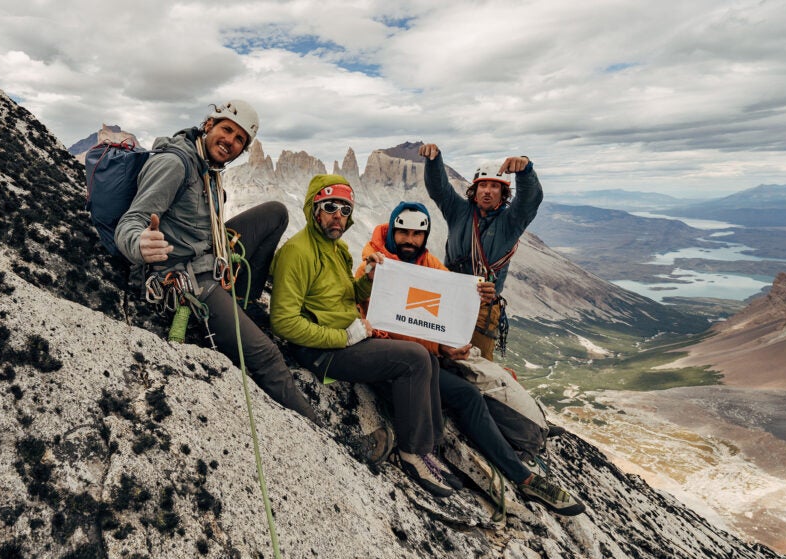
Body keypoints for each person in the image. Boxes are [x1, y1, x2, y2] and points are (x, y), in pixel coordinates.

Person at [353, 201, 585, 516]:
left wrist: (479, 298)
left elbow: (450, 305)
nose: (409, 240)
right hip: (391, 364)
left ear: (425, 237)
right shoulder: (375, 263)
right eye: (403, 232)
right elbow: (371, 314)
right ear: (392, 230)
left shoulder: (429, 264)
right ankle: (411, 447)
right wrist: (438, 348)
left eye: (416, 234)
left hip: (427, 362)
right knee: (435, 405)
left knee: (468, 396)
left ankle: (524, 477)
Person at [114, 100, 318, 423]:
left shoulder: (206, 166)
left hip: (211, 255)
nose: (231, 142)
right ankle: (319, 432)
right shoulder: (176, 164)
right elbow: (130, 222)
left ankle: (239, 303)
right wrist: (140, 243)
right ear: (209, 125)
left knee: (276, 213)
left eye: (240, 140)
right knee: (267, 356)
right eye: (226, 130)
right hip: (189, 279)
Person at [270, 175, 459, 498]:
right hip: (321, 350)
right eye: (330, 207)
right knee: (413, 359)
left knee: (426, 356)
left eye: (345, 210)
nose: (338, 217)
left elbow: (348, 294)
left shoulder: (338, 249)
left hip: (349, 338)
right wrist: (343, 337)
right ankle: (412, 454)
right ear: (314, 208)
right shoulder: (296, 252)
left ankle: (429, 448)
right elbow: (283, 322)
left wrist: (370, 278)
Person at [419, 144, 544, 361]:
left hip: (483, 308)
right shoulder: (458, 211)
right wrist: (434, 160)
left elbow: (529, 201)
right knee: (442, 358)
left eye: (495, 186)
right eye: (482, 185)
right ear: (475, 191)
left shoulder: (511, 222)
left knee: (478, 365)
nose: (487, 190)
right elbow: (439, 189)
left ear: (503, 193)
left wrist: (525, 170)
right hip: (450, 298)